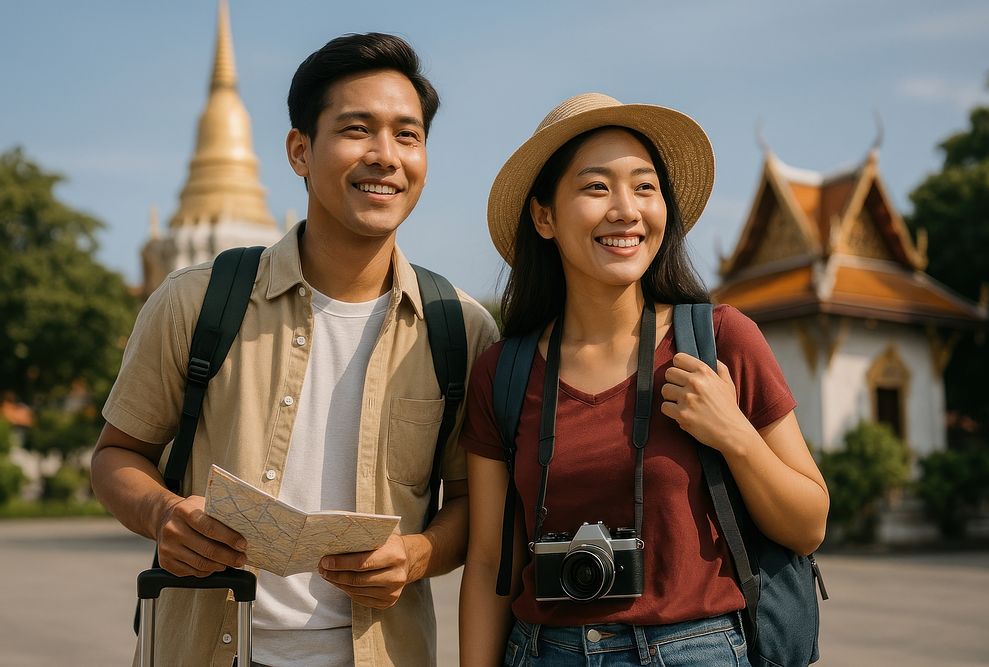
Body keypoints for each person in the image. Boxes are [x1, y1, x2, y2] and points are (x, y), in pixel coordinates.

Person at [91, 33, 498, 667]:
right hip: (208, 650)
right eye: (357, 129)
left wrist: (418, 554)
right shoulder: (196, 303)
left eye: (408, 135)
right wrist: (162, 514)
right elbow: (116, 455)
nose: (385, 156)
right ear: (299, 150)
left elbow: (474, 501)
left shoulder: (460, 330)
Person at [459, 93, 829, 666]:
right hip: (542, 652)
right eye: (596, 186)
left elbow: (808, 526)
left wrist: (733, 433)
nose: (626, 210)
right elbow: (489, 564)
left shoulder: (720, 341)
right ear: (544, 217)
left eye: (644, 187)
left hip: (698, 651)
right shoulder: (502, 374)